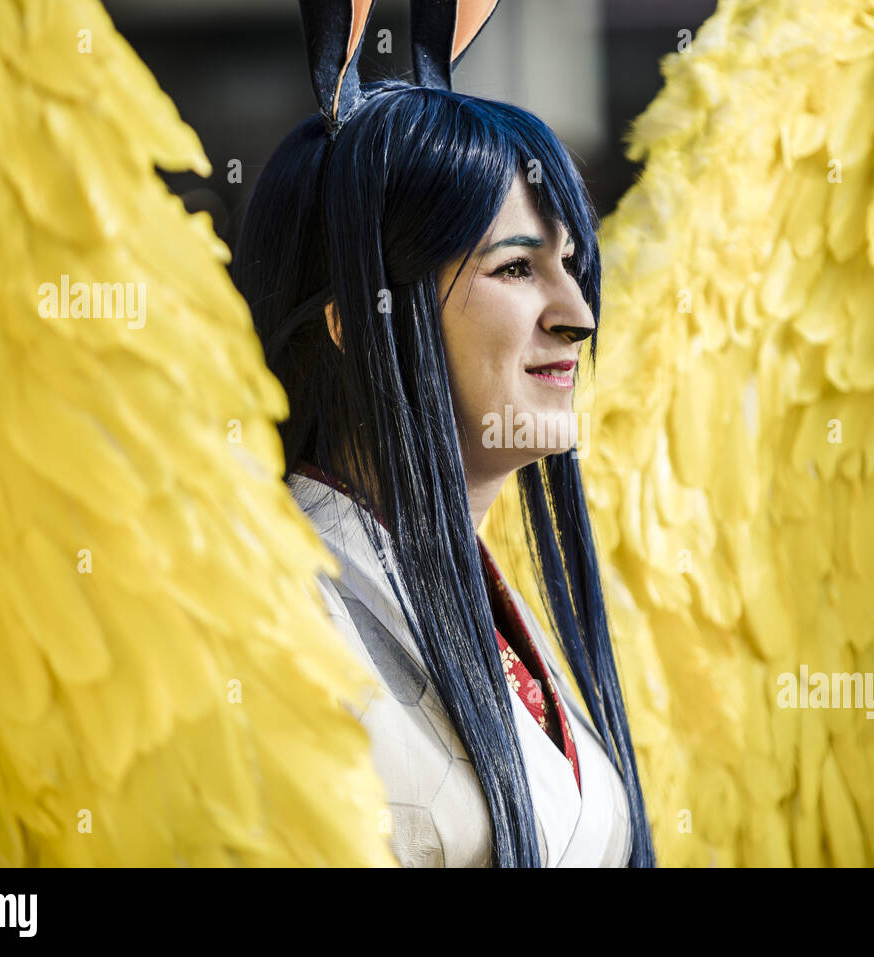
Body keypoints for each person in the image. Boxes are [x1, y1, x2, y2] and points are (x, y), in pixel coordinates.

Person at [231, 1, 654, 868]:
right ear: (360, 320)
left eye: (571, 268)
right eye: (515, 268)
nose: (577, 317)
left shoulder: (502, 610)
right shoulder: (263, 625)